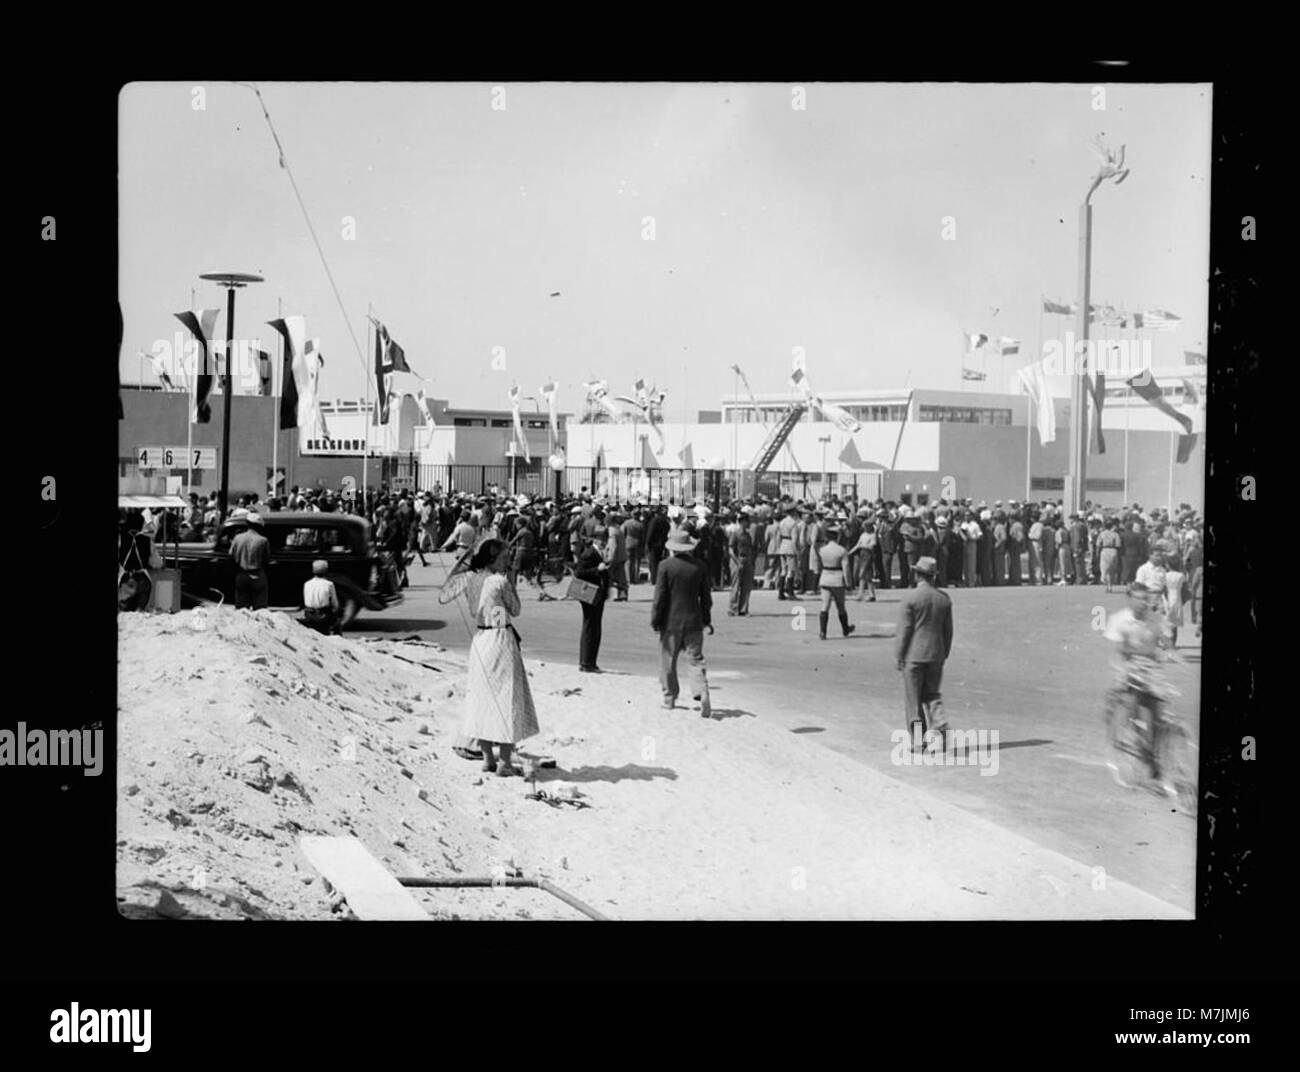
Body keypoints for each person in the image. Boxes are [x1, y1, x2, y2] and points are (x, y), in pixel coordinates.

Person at [458, 539, 539, 777]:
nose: (508, 562)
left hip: (481, 639)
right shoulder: (499, 581)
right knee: (506, 698)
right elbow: (515, 610)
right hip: (500, 638)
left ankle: (487, 758)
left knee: (481, 699)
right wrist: (510, 585)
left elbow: (477, 610)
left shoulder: (472, 581)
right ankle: (504, 760)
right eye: (504, 558)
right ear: (493, 559)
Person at [651, 528, 713, 716]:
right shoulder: (699, 566)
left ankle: (670, 698)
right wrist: (706, 620)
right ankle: (701, 692)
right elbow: (706, 597)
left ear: (673, 548)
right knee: (695, 660)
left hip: (671, 621)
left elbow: (660, 597)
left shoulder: (665, 566)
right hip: (694, 620)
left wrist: (655, 620)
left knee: (668, 661)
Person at [894, 555, 953, 749]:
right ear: (933, 576)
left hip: (913, 656)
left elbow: (905, 630)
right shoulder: (943, 599)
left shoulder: (910, 598)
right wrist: (944, 653)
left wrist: (899, 655)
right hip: (936, 654)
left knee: (914, 700)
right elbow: (948, 631)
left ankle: (919, 741)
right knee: (932, 694)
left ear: (918, 574)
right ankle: (941, 725)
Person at [574, 528, 610, 671]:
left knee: (595, 628)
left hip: (598, 594)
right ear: (595, 539)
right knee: (590, 627)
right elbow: (579, 573)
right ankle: (586, 663)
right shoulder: (589, 553)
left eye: (605, 540)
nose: (603, 543)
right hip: (589, 595)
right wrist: (597, 570)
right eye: (601, 540)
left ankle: (591, 662)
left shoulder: (598, 552)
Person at [814, 524, 856, 640]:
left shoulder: (822, 550)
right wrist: (848, 583)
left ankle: (823, 632)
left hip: (825, 577)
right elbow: (846, 568)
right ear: (837, 537)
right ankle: (845, 629)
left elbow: (819, 563)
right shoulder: (842, 551)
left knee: (825, 606)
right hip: (837, 579)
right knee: (841, 606)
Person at [230, 513, 271, 609]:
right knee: (260, 609)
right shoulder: (263, 540)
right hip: (258, 575)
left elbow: (231, 555)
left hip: (242, 575)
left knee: (241, 608)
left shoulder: (237, 538)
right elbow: (266, 559)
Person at [727, 511, 756, 616]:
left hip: (746, 560)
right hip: (737, 560)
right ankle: (733, 608)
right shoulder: (735, 534)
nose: (749, 523)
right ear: (742, 522)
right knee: (736, 585)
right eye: (747, 521)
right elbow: (730, 550)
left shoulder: (748, 535)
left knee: (746, 586)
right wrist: (738, 562)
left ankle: (743, 609)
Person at [301, 559, 340, 634]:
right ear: (326, 571)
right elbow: (335, 604)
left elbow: (306, 601)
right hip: (324, 616)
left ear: (313, 571)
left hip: (309, 615)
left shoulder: (307, 584)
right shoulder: (329, 584)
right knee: (337, 624)